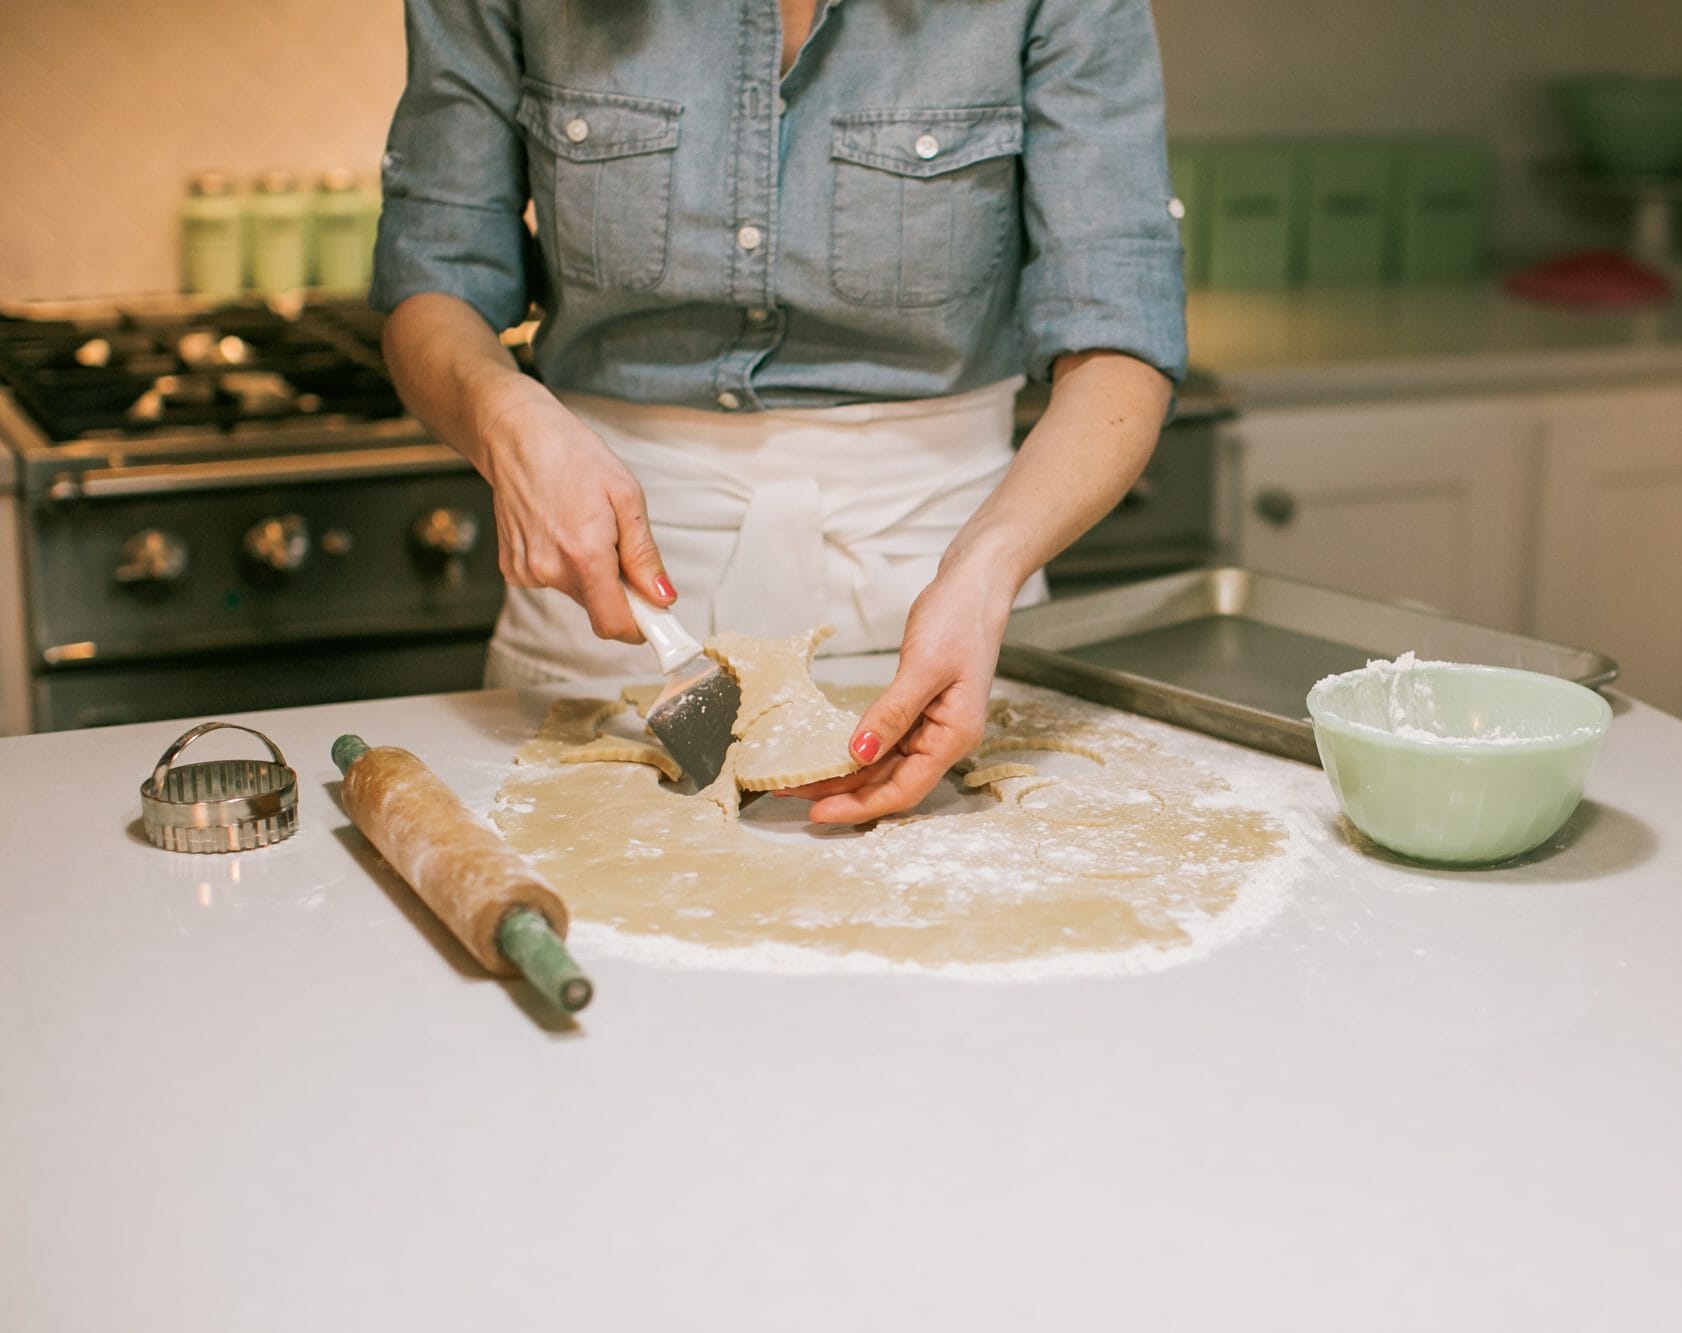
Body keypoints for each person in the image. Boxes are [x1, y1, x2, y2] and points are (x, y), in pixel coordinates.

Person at [372, 0, 1186, 822]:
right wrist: (506, 417)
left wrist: (986, 568)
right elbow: (432, 283)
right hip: (603, 595)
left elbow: (1120, 340)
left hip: (939, 587)